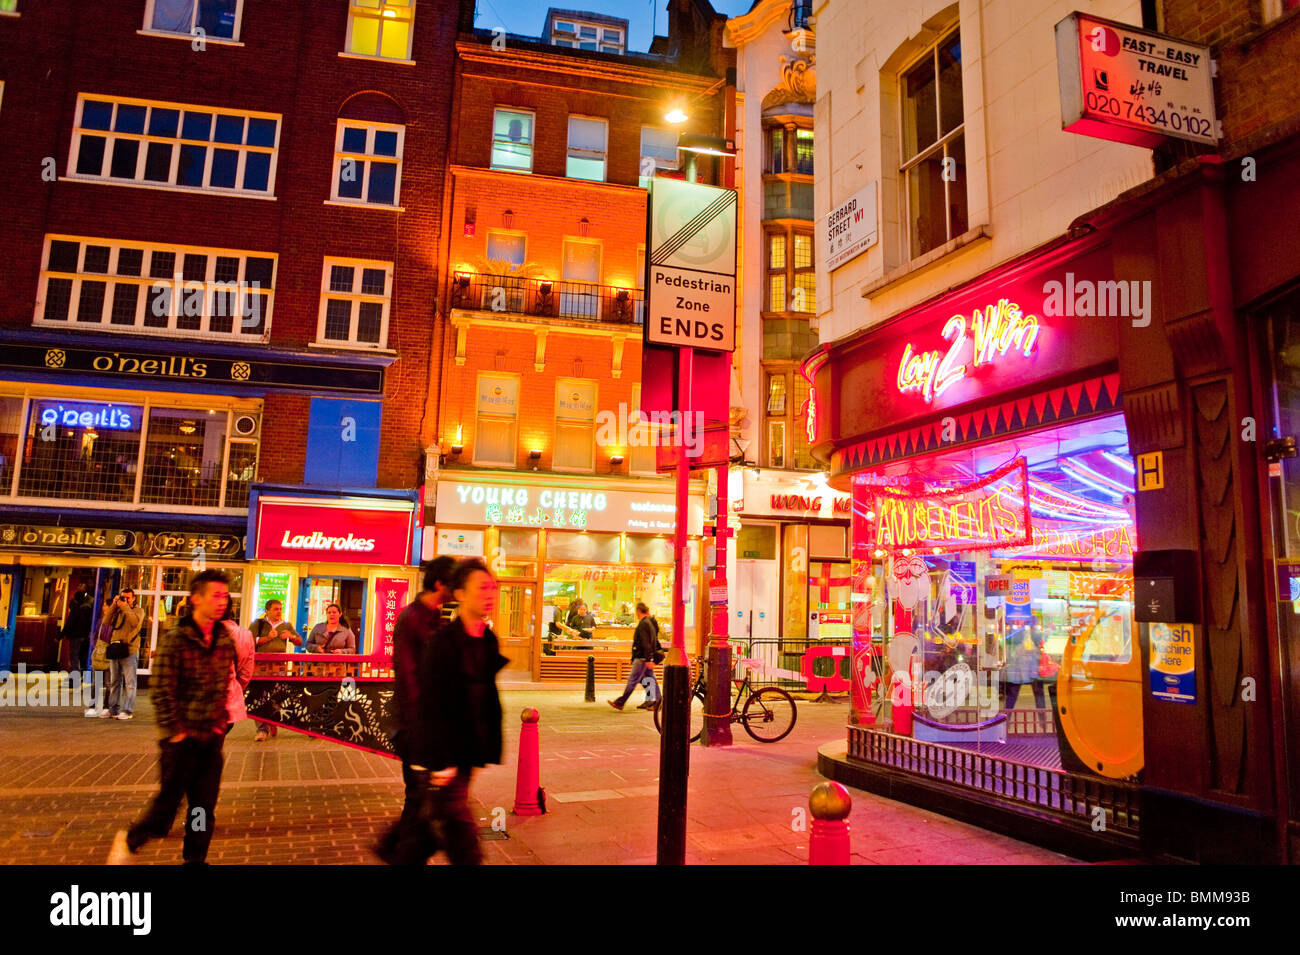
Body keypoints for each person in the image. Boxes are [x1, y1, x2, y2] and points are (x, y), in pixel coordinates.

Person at [107, 570, 237, 866]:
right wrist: (176, 732)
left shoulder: (225, 640)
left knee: (203, 808)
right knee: (167, 807)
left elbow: (224, 684)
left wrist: (220, 723)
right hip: (180, 741)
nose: (222, 602)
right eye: (215, 595)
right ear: (196, 599)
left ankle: (195, 859)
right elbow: (162, 689)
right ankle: (131, 840)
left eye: (225, 596)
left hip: (211, 739)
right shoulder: (176, 640)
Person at [415, 559, 508, 866]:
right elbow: (432, 704)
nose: (490, 594)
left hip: (469, 749)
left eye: (493, 587)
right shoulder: (443, 642)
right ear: (460, 593)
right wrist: (441, 762)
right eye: (482, 588)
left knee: (433, 819)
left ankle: (404, 849)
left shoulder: (488, 640)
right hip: (447, 753)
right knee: (461, 831)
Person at [375, 556, 457, 866]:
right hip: (415, 727)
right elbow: (409, 679)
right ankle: (396, 852)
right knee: (422, 799)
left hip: (425, 725)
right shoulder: (413, 619)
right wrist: (421, 730)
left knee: (423, 799)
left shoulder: (435, 618)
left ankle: (393, 849)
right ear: (440, 584)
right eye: (455, 583)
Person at [250, 599, 300, 741]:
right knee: (260, 697)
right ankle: (262, 729)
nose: (279, 612)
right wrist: (267, 638)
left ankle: (271, 718)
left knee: (277, 695)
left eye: (280, 609)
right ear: (267, 611)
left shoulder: (286, 625)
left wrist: (291, 636)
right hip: (261, 666)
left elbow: (299, 641)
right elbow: (249, 640)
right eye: (276, 609)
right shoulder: (257, 624)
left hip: (279, 666)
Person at [608, 602, 661, 711]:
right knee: (650, 678)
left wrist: (647, 658)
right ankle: (656, 701)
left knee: (633, 680)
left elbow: (645, 642)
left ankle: (620, 702)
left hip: (641, 658)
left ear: (638, 611)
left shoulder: (644, 624)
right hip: (644, 657)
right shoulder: (649, 622)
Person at [105, 589, 145, 721]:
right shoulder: (118, 610)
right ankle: (113, 709)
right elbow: (105, 622)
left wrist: (126, 607)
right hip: (116, 647)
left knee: (130, 682)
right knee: (114, 681)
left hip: (129, 649)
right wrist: (114, 605)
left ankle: (127, 710)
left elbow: (134, 623)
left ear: (134, 598)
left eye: (128, 598)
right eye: (123, 597)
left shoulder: (138, 610)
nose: (125, 600)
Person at [1003, 623, 1046, 710]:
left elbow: (1039, 641)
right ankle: (1005, 719)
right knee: (1013, 694)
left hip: (1032, 668)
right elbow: (1010, 641)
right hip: (1021, 668)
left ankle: (1043, 721)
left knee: (1038, 695)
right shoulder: (1018, 627)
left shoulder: (1032, 628)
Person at [63, 590, 94, 675]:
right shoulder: (89, 608)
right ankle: (83, 674)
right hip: (84, 636)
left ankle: (74, 677)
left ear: (75, 599)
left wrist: (60, 636)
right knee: (82, 656)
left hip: (75, 636)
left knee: (73, 657)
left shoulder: (75, 608)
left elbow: (69, 623)